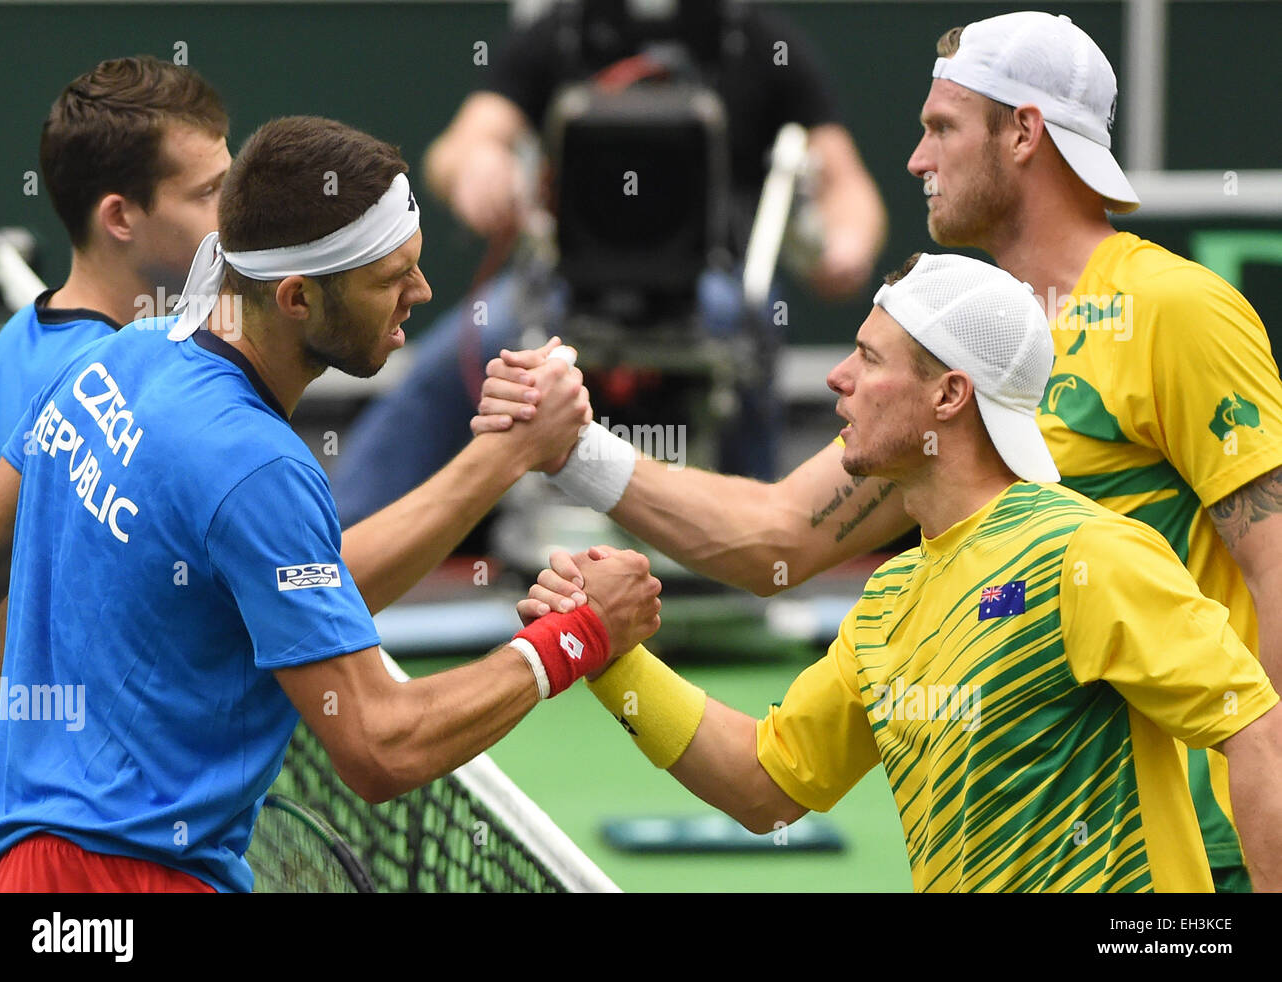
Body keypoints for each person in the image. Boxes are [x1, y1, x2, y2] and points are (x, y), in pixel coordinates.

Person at [480, 11, 1282, 892]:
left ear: (1025, 132)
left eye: (941, 127)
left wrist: (1264, 805)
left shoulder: (1173, 312)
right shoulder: (938, 392)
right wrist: (576, 454)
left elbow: (1274, 572)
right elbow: (781, 540)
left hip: (1212, 847)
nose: (916, 160)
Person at [0, 115, 661, 893]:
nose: (422, 292)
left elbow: (289, 589)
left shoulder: (113, 359)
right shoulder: (259, 468)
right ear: (299, 296)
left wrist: (504, 454)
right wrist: (577, 636)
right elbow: (379, 748)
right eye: (389, 277)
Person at [550, 253, 1282, 892]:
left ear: (949, 395)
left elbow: (1259, 733)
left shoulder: (1086, 556)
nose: (837, 377)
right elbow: (764, 784)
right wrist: (610, 655)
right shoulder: (888, 603)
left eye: (869, 359)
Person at [328, 0, 888, 525]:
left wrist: (846, 246)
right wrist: (476, 168)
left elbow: (843, 179)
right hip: (563, 283)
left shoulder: (758, 42)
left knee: (747, 328)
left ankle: (760, 533)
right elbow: (461, 146)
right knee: (471, 343)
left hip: (710, 287)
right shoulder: (561, 34)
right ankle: (344, 545)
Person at [0, 56, 232, 790]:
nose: (237, 215)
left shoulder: (15, 341)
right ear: (120, 216)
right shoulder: (117, 393)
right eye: (212, 193)